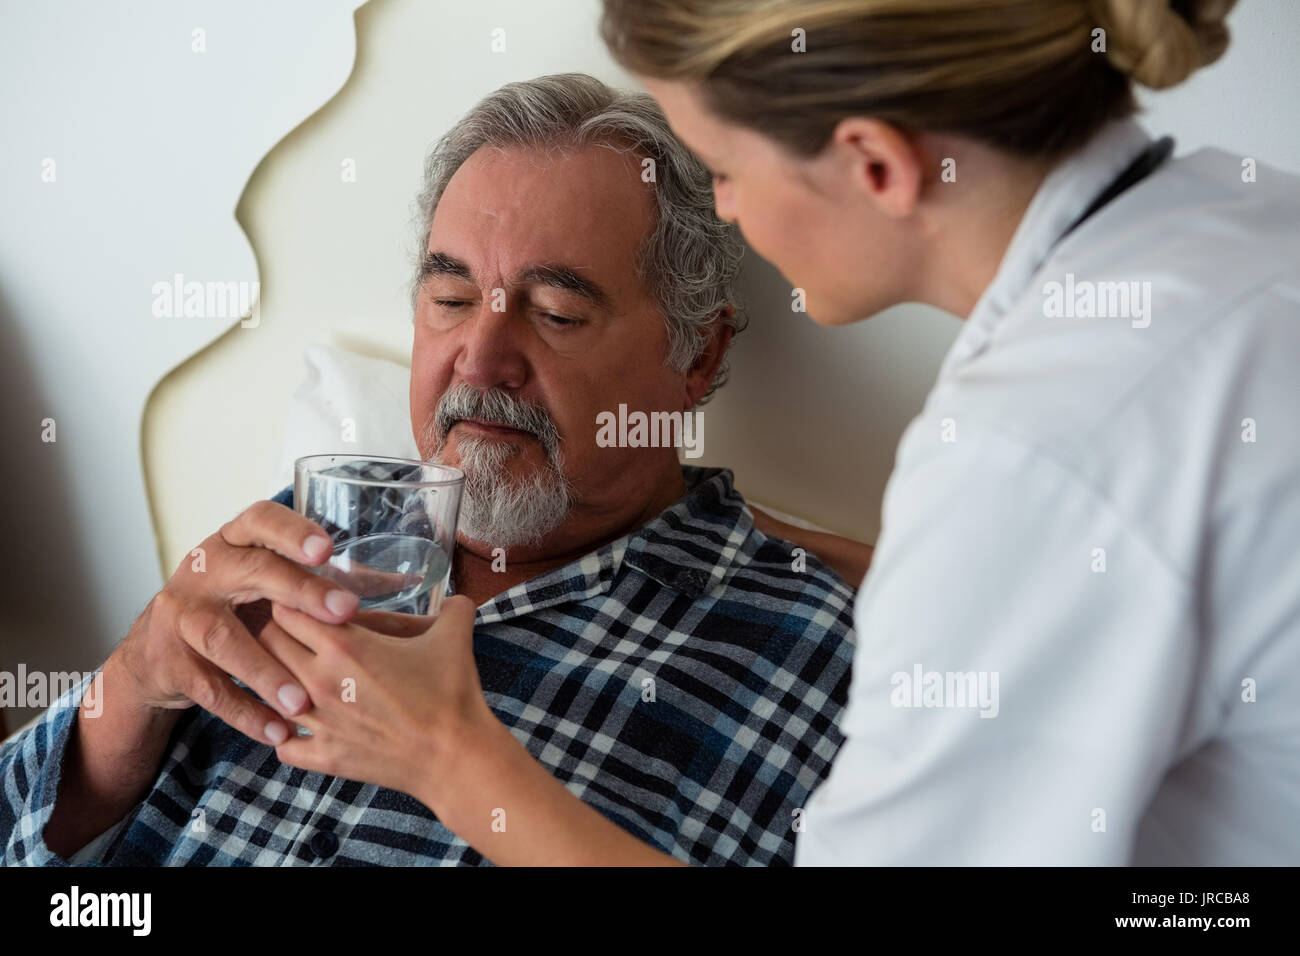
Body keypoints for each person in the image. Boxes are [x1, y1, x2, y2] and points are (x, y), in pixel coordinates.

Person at [0, 74, 856, 866]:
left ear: (695, 358)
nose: (479, 361)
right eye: (449, 299)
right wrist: (132, 689)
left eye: (556, 312)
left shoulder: (808, 644)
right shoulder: (313, 529)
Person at [596, 0, 1300, 864]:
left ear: (875, 163)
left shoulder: (1028, 454)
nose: (728, 209)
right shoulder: (1248, 207)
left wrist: (452, 754)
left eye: (722, 168)